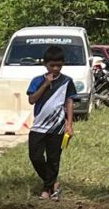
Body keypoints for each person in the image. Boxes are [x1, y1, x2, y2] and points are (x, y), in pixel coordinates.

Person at [25, 45, 75, 198]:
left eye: (59, 65)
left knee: (54, 159)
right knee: (35, 156)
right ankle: (53, 183)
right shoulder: (37, 81)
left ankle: (47, 189)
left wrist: (69, 124)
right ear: (45, 64)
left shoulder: (67, 81)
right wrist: (45, 84)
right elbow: (32, 99)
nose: (55, 69)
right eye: (52, 65)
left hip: (57, 127)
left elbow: (69, 102)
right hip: (38, 126)